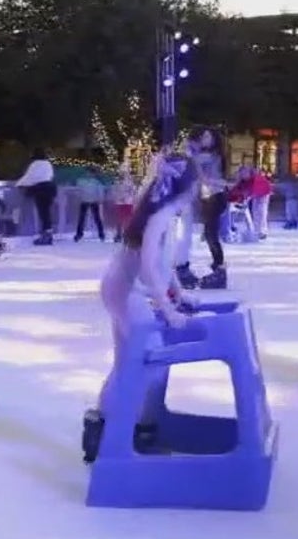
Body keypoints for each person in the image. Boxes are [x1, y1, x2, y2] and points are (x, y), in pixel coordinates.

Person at [82, 153, 200, 463]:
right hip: (126, 292)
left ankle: (102, 427)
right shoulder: (161, 215)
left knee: (129, 360)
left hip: (121, 289)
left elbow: (164, 263)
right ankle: (123, 432)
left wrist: (178, 292)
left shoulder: (163, 212)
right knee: (150, 359)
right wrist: (168, 308)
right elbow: (148, 267)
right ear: (187, 187)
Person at [172, 126, 230, 290]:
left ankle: (218, 268)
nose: (205, 140)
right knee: (209, 233)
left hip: (216, 196)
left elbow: (200, 171)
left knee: (211, 234)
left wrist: (189, 153)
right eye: (203, 137)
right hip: (209, 196)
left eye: (208, 137)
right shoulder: (203, 155)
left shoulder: (212, 155)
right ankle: (217, 267)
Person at [16, 149, 57, 245]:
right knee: (46, 213)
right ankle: (48, 234)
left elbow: (30, 177)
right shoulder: (48, 164)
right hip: (50, 188)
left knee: (43, 213)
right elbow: (50, 176)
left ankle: (45, 235)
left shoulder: (35, 164)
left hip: (41, 189)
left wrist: (19, 184)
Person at [74, 167, 107, 242]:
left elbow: (100, 190)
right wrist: (78, 197)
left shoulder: (96, 182)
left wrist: (100, 199)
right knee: (81, 218)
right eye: (88, 172)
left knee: (97, 218)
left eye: (90, 173)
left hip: (94, 201)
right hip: (84, 201)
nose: (89, 174)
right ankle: (79, 234)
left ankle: (101, 234)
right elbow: (77, 189)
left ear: (93, 174)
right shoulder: (81, 181)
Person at [111, 167, 137, 243]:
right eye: (121, 174)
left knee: (128, 219)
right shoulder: (116, 183)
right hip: (120, 203)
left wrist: (128, 197)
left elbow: (133, 191)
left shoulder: (130, 183)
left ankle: (128, 235)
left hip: (128, 203)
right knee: (119, 220)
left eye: (123, 174)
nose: (122, 176)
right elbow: (114, 191)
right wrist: (118, 197)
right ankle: (119, 235)